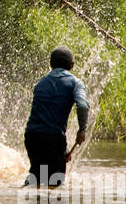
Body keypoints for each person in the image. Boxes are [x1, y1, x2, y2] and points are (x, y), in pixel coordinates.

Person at [23, 47, 89, 188]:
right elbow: (82, 106)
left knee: (36, 176)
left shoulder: (40, 83)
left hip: (32, 137)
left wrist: (62, 151)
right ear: (72, 65)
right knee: (56, 186)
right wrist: (82, 129)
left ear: (51, 64)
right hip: (53, 138)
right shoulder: (75, 83)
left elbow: (44, 118)